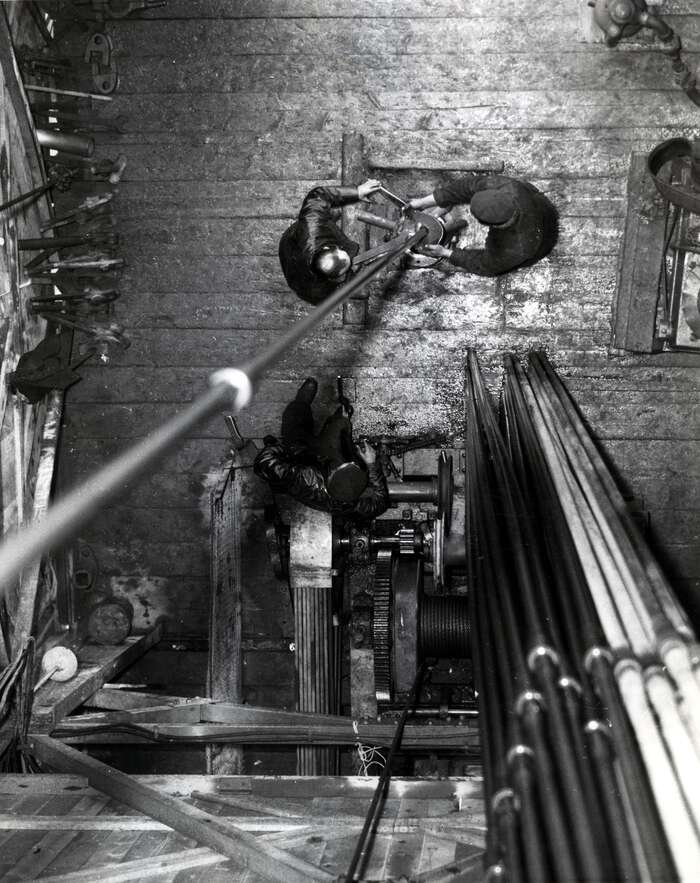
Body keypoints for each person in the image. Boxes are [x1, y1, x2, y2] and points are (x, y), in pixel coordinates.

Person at [254, 377, 389, 520]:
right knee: (340, 429)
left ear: (330, 476)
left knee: (295, 424)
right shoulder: (352, 502)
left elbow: (263, 462)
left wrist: (282, 449)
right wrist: (372, 464)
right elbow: (381, 503)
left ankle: (301, 403)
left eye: (339, 467)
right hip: (323, 460)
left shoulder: (305, 479)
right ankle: (339, 417)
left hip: (301, 455)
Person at [407, 174, 558, 277]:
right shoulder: (506, 187)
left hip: (543, 239)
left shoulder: (516, 247)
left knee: (508, 265)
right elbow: (465, 187)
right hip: (536, 202)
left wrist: (446, 253)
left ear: (487, 224)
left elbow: (487, 265)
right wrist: (423, 202)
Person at [279, 179, 383, 304]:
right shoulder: (315, 291)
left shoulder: (312, 225)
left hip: (293, 241)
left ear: (328, 248)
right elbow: (322, 298)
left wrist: (357, 191)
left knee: (329, 212)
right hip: (294, 264)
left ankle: (330, 217)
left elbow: (318, 195)